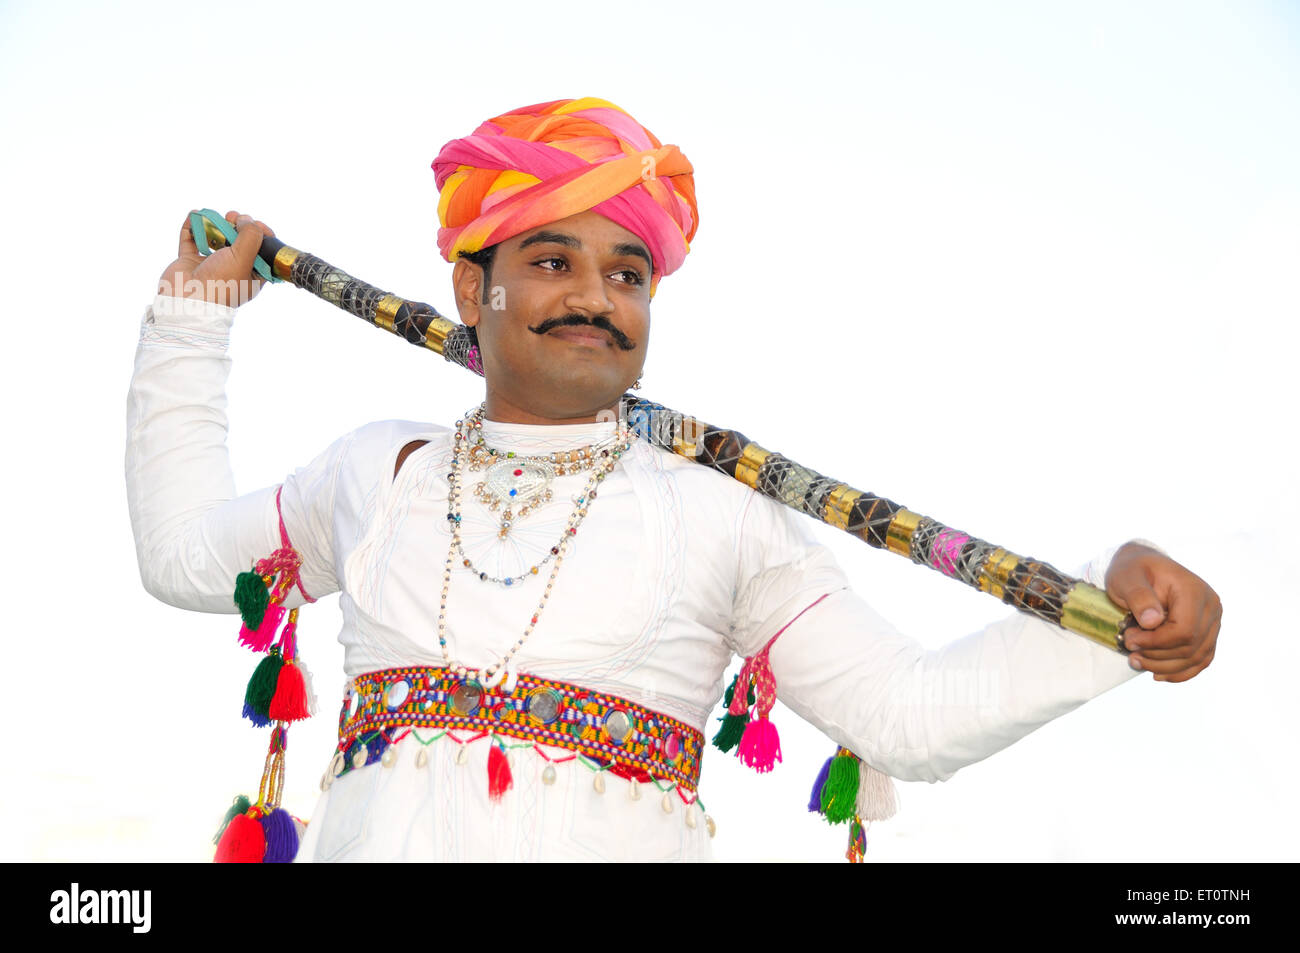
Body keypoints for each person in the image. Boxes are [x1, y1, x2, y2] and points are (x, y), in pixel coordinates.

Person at [127, 97, 1222, 862]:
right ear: (474, 289)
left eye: (628, 272)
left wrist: (1108, 598)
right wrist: (193, 311)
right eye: (550, 261)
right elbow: (181, 557)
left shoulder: (719, 510)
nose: (595, 295)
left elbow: (906, 712)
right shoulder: (376, 473)